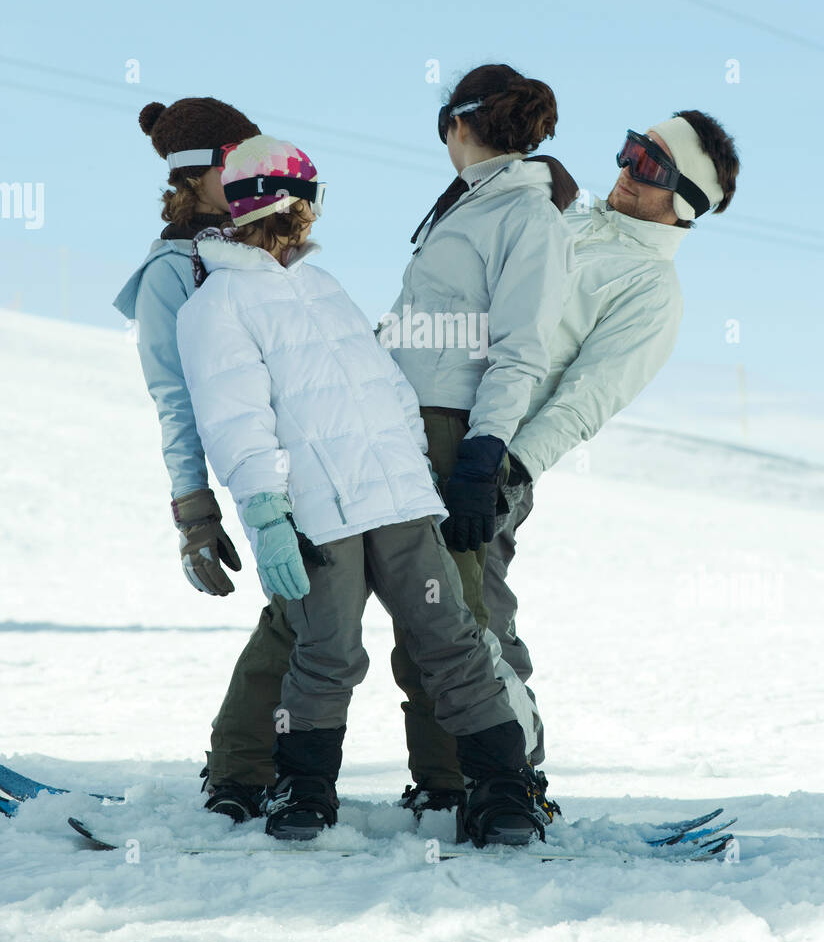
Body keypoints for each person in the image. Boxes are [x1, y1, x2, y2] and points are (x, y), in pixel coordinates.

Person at [174, 133, 546, 847]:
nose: (314, 216)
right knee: (327, 653)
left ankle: (501, 789)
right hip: (320, 513)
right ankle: (304, 789)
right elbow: (235, 421)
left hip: (398, 502)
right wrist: (266, 511)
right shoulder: (217, 305)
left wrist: (412, 465)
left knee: (452, 641)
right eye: (309, 199)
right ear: (290, 204)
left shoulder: (320, 285)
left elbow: (384, 388)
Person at [472, 112, 742, 777]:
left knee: (470, 616)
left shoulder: (650, 289)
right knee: (330, 607)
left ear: (683, 201)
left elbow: (585, 399)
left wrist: (510, 470)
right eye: (629, 150)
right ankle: (255, 766)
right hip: (426, 423)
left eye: (649, 165)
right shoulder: (565, 220)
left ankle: (515, 772)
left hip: (490, 459)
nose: (625, 169)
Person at [379, 64, 580, 820]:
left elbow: (521, 348)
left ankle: (505, 779)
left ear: (457, 124)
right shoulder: (469, 207)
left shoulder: (526, 217)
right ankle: (443, 781)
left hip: (456, 431)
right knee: (421, 613)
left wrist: (480, 456)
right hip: (407, 426)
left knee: (456, 618)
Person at [114, 97, 302, 820]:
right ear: (194, 176)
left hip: (325, 458)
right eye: (238, 166)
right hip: (263, 469)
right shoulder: (174, 273)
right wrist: (194, 512)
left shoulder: (272, 244)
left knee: (324, 615)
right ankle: (242, 771)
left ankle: (276, 766)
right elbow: (175, 397)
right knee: (304, 611)